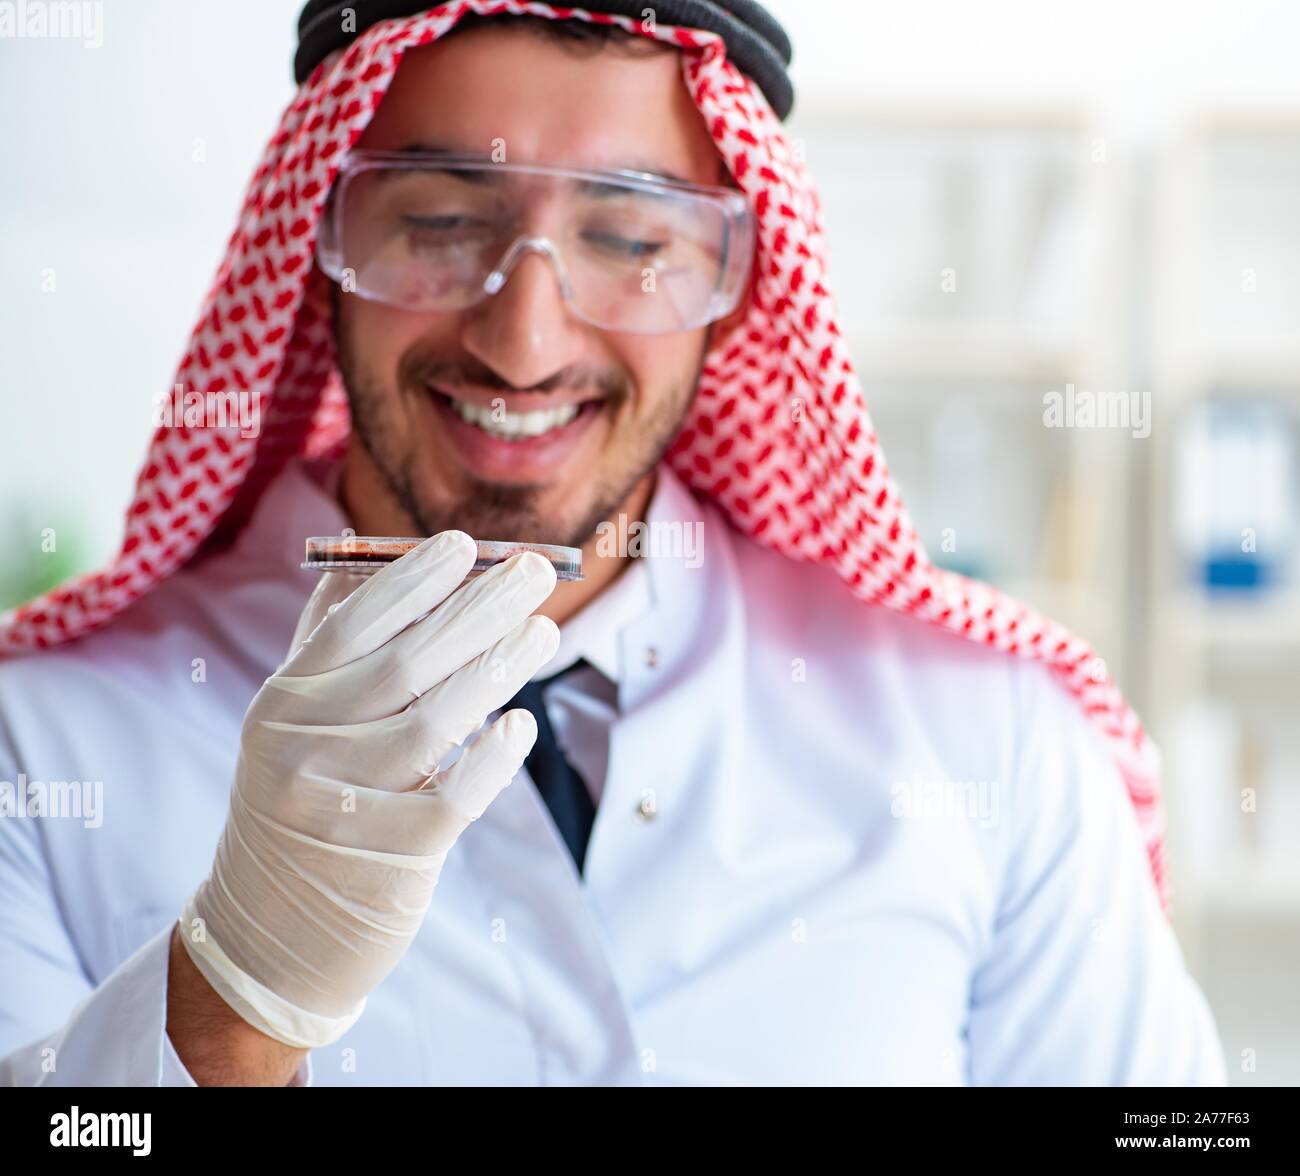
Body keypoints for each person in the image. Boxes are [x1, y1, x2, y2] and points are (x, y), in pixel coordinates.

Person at [0, 0, 1225, 1086]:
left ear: (734, 279)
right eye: (435, 221)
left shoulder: (990, 739)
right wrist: (227, 1008)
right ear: (321, 240)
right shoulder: (40, 746)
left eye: (633, 242)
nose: (524, 343)